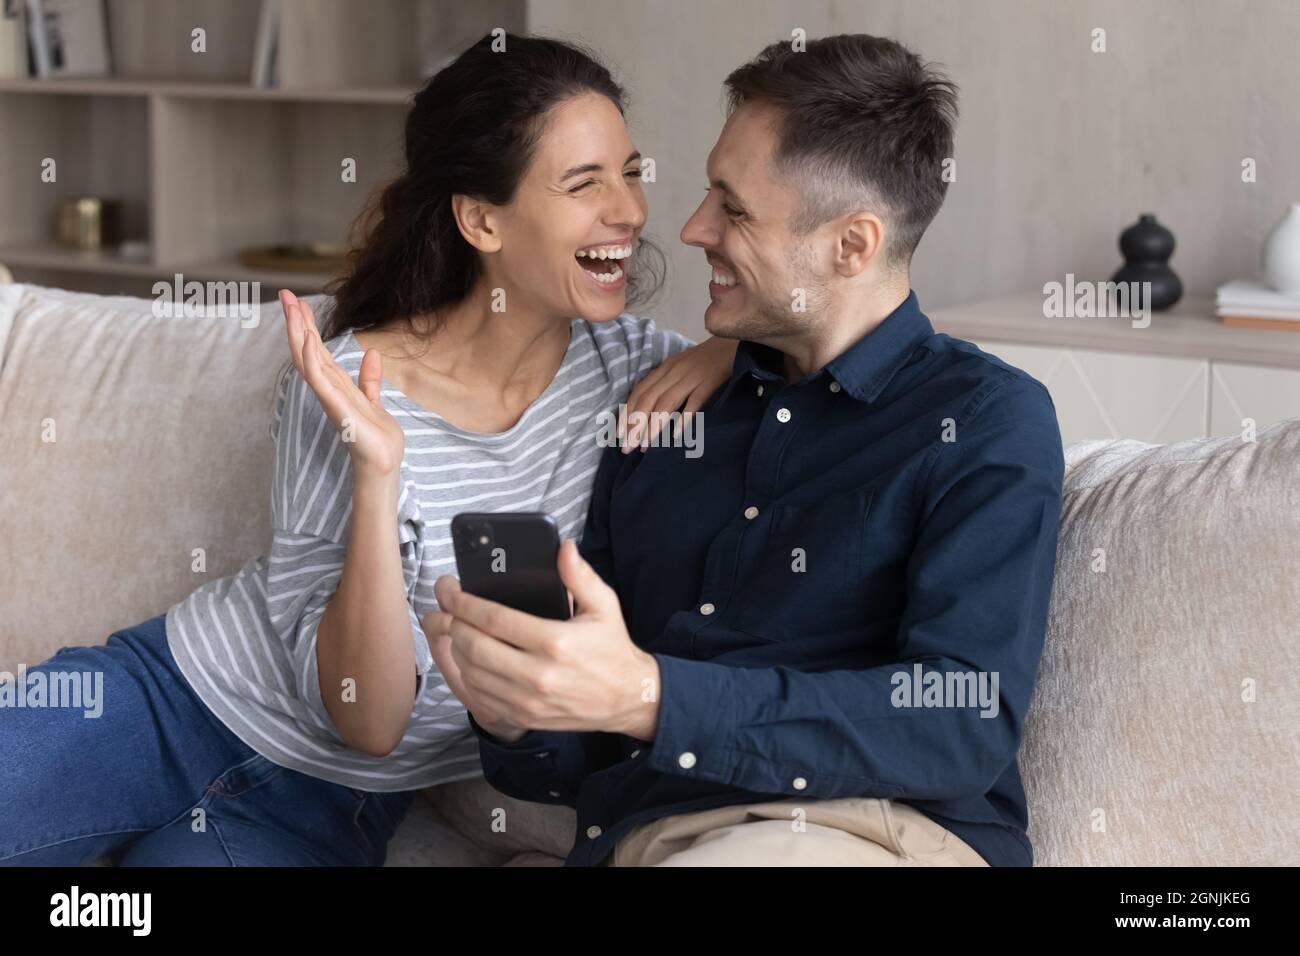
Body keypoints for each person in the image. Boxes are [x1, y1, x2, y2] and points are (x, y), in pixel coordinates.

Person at [0, 34, 736, 867]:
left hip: (324, 805)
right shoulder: (355, 375)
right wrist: (375, 464)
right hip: (169, 702)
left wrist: (731, 344)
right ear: (481, 219)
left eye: (631, 172)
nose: (631, 211)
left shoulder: (638, 373)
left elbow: (370, 723)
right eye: (585, 183)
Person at [426, 33, 1066, 867]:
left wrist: (658, 698)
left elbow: (958, 718)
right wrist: (519, 709)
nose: (690, 229)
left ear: (852, 246)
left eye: (733, 208)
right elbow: (591, 753)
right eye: (704, 194)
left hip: (869, 835)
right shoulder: (666, 418)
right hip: (644, 842)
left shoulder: (984, 420)